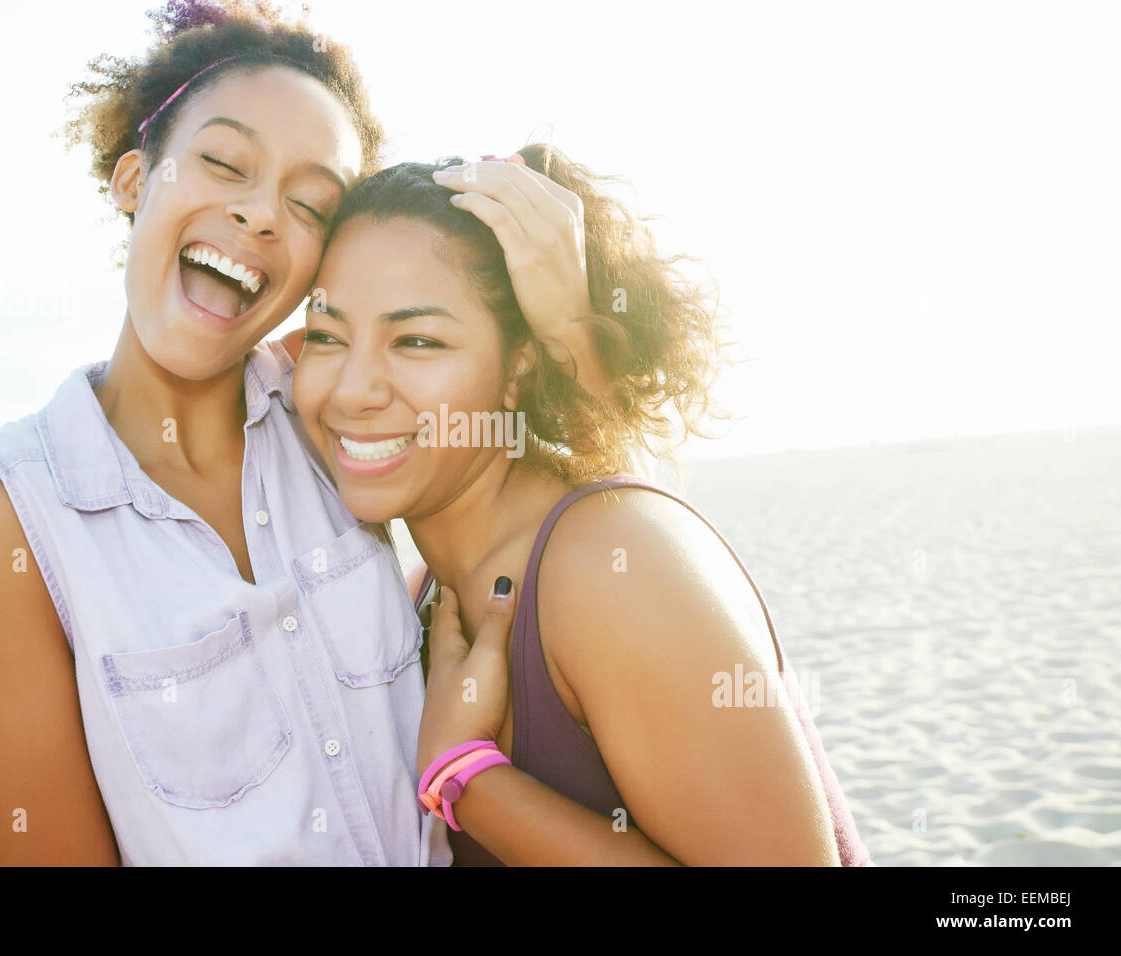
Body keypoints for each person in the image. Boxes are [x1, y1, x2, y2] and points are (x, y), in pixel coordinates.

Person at [0, 1, 607, 865]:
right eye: (222, 162)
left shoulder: (338, 417)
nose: (260, 215)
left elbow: (609, 543)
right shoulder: (0, 517)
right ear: (135, 181)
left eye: (311, 203)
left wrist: (569, 325)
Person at [291, 145, 874, 865]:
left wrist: (466, 778)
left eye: (416, 340)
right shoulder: (425, 600)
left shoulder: (608, 565)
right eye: (326, 336)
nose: (353, 390)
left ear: (518, 371)